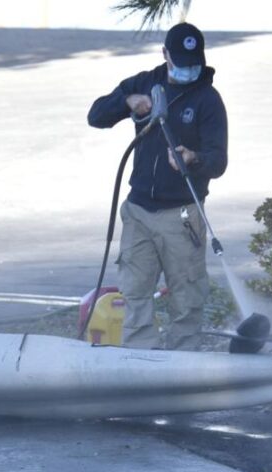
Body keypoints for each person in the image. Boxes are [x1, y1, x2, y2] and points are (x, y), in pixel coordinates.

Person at [87, 22, 228, 351]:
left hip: (182, 214)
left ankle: (183, 362)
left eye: (194, 63)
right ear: (165, 55)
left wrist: (193, 158)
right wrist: (127, 102)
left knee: (187, 296)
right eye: (181, 62)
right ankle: (140, 359)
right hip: (138, 211)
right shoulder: (145, 83)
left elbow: (218, 161)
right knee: (135, 292)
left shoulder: (208, 100)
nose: (188, 70)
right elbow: (96, 115)